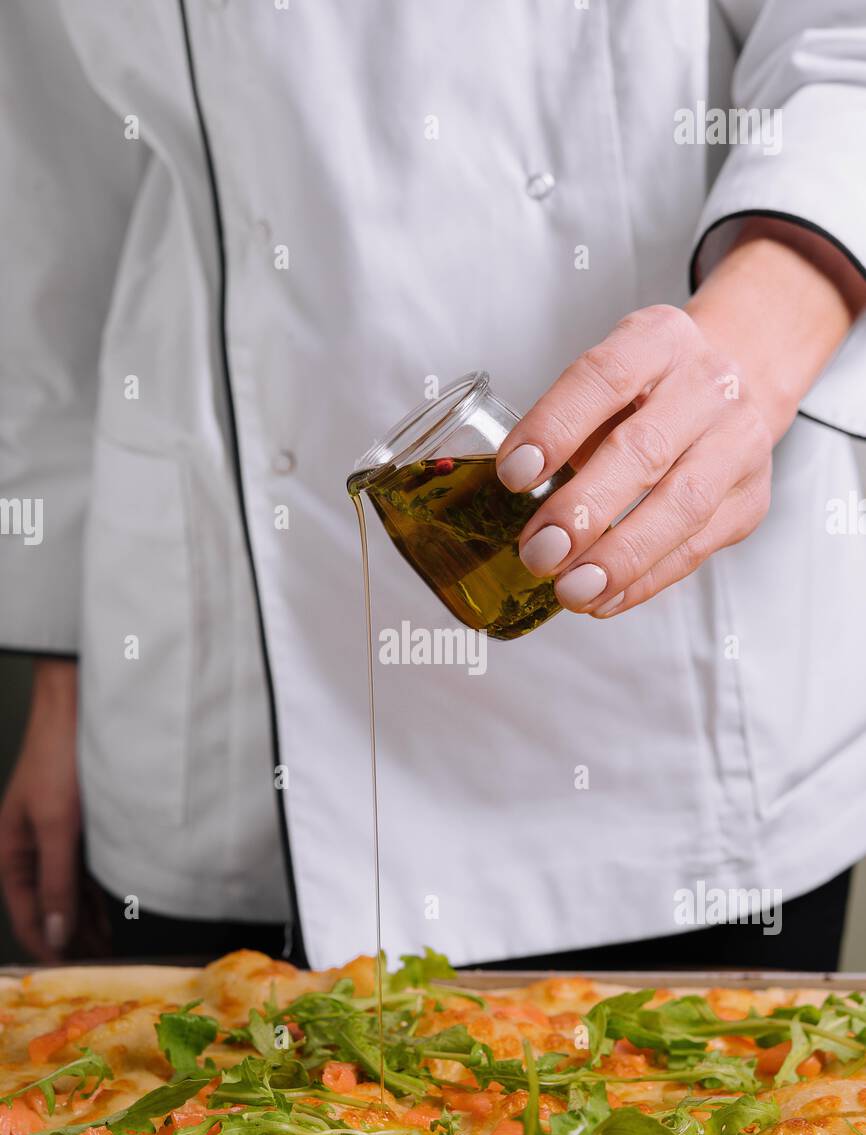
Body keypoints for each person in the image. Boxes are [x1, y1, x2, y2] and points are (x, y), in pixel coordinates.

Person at [1, 0, 865, 972]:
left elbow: (841, 39)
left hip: (651, 714)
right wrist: (65, 683)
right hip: (209, 687)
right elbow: (53, 195)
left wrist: (749, 352)